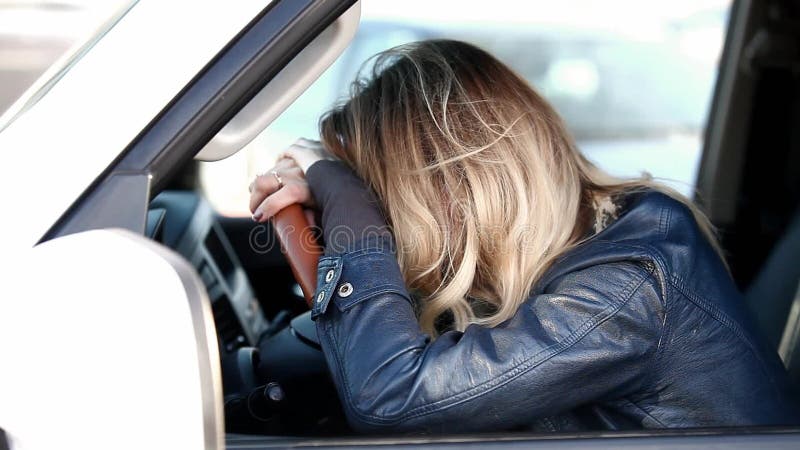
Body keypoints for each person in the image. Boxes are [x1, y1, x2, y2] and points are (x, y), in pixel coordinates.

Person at [248, 40, 799, 433]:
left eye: (385, 200)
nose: (388, 222)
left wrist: (343, 198)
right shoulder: (612, 227)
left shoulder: (623, 292)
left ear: (454, 191)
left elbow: (391, 395)